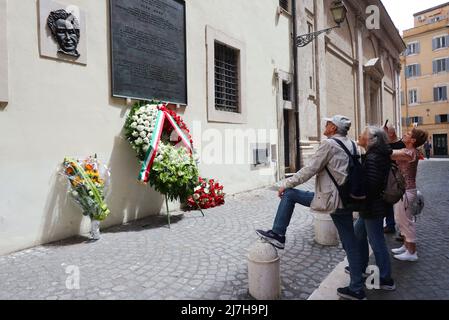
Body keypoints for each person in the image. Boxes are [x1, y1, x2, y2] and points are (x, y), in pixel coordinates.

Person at [256, 115, 366, 300]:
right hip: (347, 199)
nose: (325, 125)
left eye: (328, 123)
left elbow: (310, 169)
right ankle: (356, 286)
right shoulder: (353, 145)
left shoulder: (329, 144)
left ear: (334, 128)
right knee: (350, 242)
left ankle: (278, 234)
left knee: (290, 194)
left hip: (331, 200)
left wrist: (287, 183)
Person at [355, 127, 395, 290]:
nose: (360, 136)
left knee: (376, 241)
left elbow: (371, 184)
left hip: (372, 207)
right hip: (373, 206)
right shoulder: (376, 155)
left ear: (372, 140)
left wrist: (356, 195)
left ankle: (386, 278)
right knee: (358, 234)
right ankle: (362, 267)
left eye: (363, 135)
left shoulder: (373, 157)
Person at [391, 128, 428, 261]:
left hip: (407, 191)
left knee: (406, 222)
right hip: (404, 190)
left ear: (412, 140)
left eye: (407, 134)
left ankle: (412, 252)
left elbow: (390, 153)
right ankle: (406, 246)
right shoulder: (410, 151)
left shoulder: (409, 153)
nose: (404, 134)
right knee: (401, 219)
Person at [383, 125, 406, 234]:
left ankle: (403, 231)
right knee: (388, 199)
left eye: (386, 133)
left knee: (402, 202)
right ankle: (390, 224)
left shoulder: (401, 144)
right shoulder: (385, 143)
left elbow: (390, 154)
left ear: (391, 133)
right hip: (388, 174)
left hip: (398, 174)